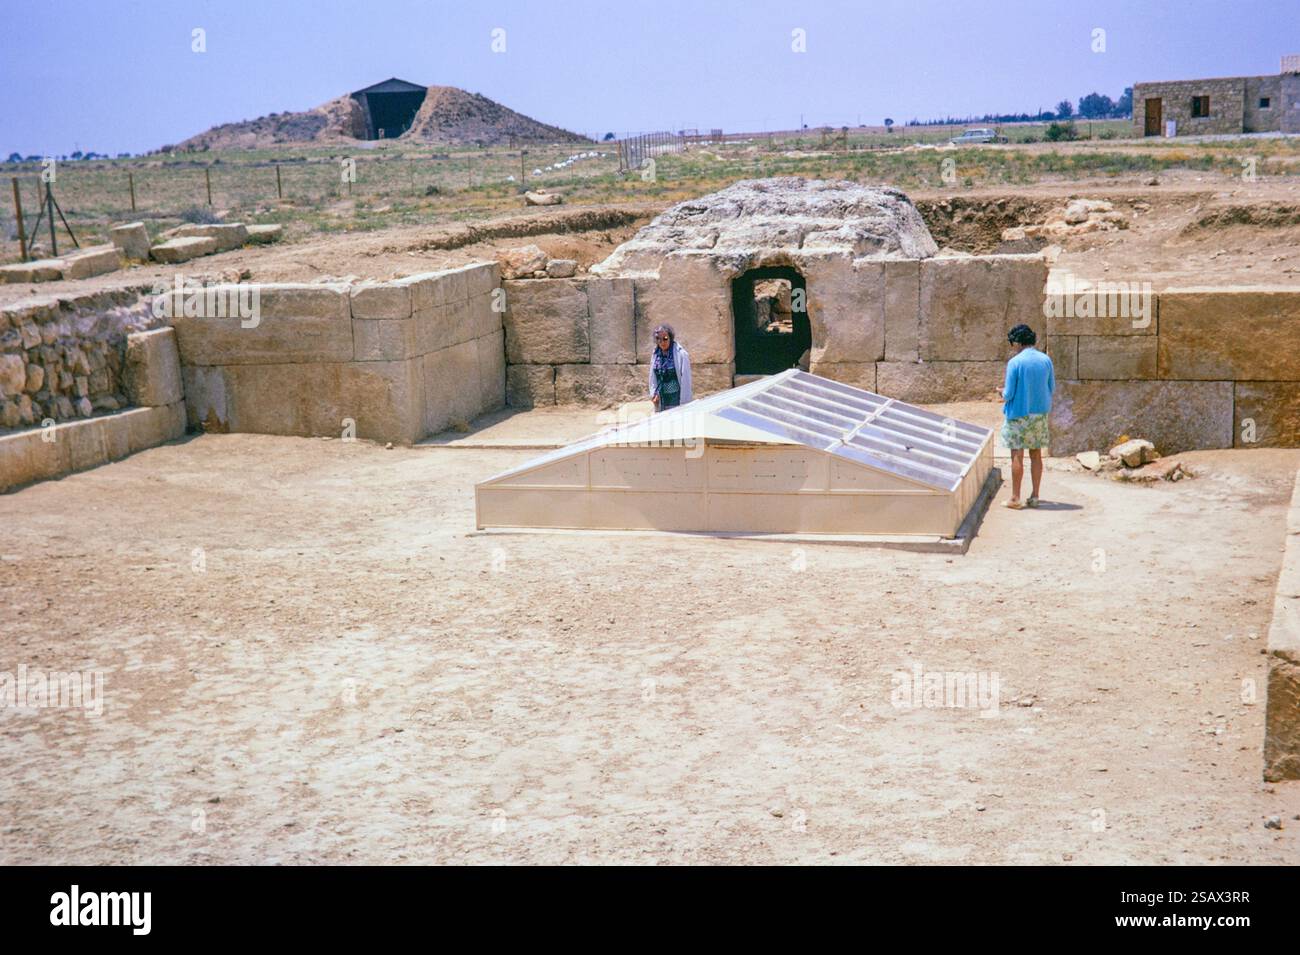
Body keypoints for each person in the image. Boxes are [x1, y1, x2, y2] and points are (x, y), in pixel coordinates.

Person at [1001, 323, 1054, 509]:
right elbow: (1051, 387)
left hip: (1018, 414)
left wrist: (1001, 393)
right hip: (1039, 413)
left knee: (1017, 454)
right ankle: (1035, 496)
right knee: (1036, 454)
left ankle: (1015, 498)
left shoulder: (1015, 362)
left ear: (1017, 342)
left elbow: (1008, 394)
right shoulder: (1046, 360)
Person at [649, 324, 692, 412]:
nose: (662, 342)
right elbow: (653, 376)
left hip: (676, 400)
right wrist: (654, 393)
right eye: (658, 339)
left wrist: (685, 404)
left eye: (665, 339)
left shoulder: (681, 354)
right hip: (662, 400)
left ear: (670, 338)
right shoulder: (656, 354)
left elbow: (686, 381)